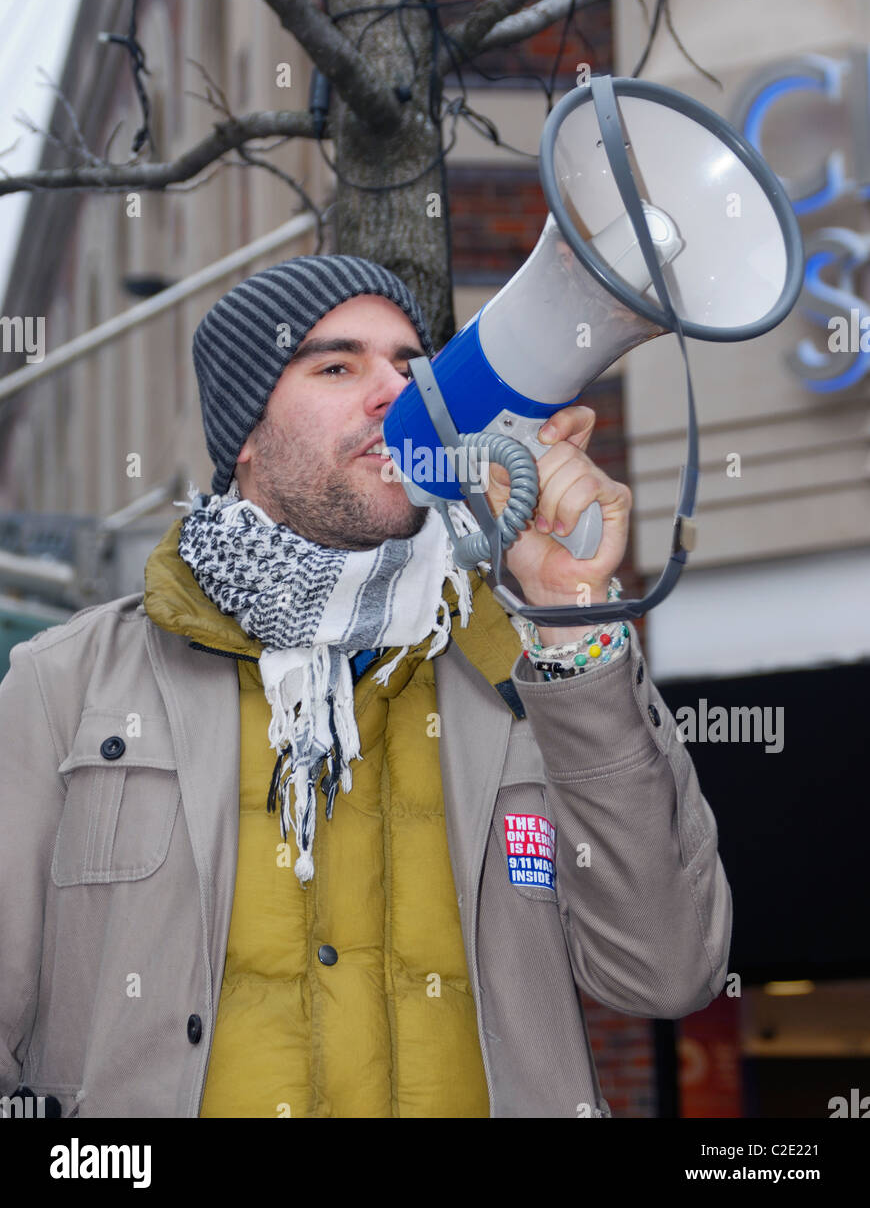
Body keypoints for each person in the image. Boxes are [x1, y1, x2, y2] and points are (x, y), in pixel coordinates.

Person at [0, 255, 731, 1119]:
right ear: (243, 434)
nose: (395, 392)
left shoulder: (524, 665)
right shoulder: (66, 683)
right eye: (338, 366)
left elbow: (668, 969)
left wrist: (570, 612)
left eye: (408, 363)